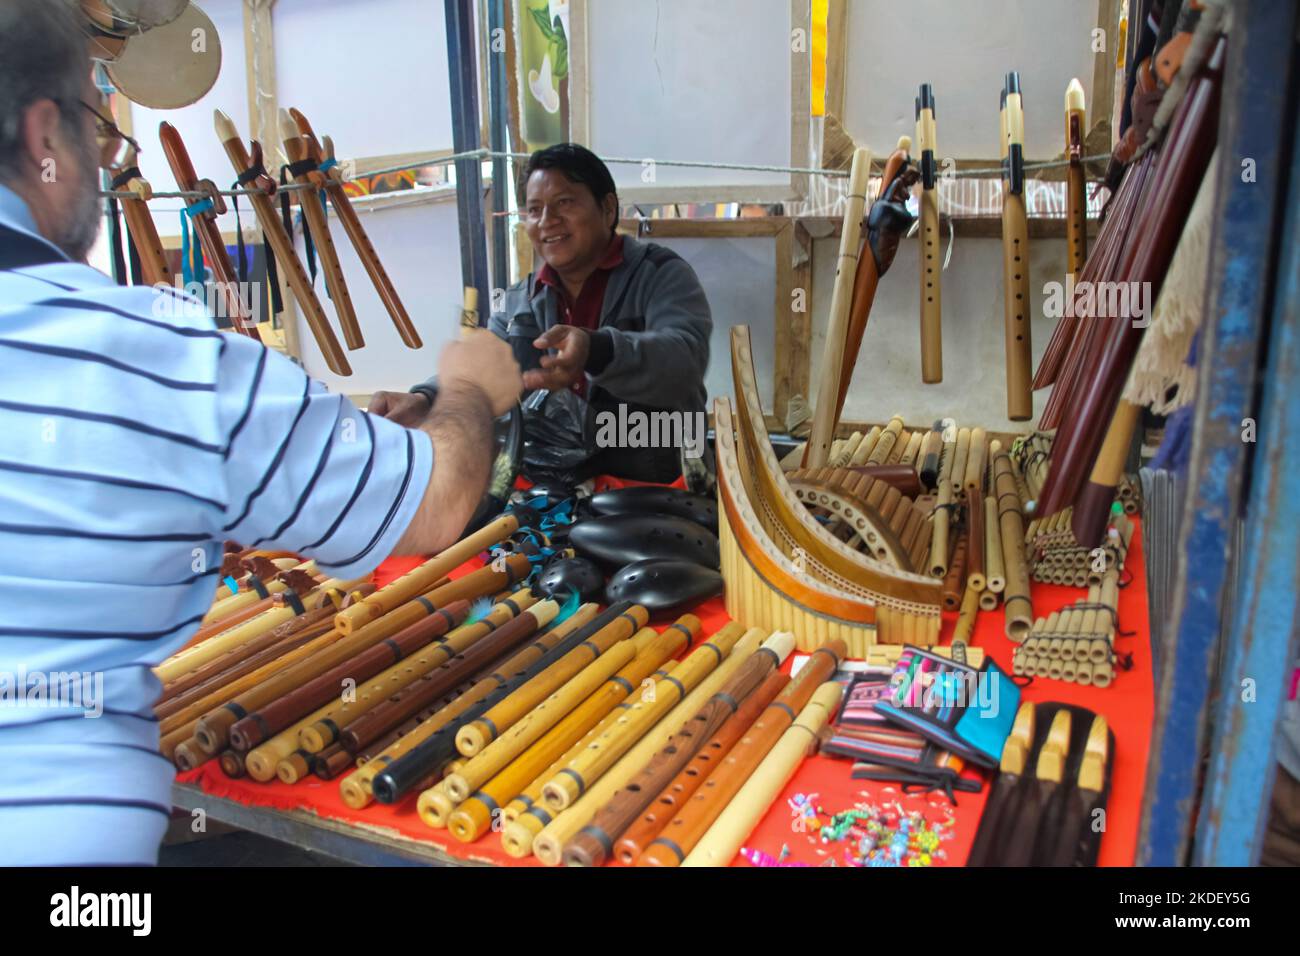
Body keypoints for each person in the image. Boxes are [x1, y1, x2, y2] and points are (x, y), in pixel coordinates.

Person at [0, 0, 521, 865]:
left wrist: (292, 460)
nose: (104, 161)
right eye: (100, 127)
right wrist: (468, 387)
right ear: (44, 134)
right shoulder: (150, 357)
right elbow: (434, 505)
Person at [371, 144, 712, 484]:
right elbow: (481, 366)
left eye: (564, 203)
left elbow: (685, 360)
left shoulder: (661, 274)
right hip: (564, 487)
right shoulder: (521, 299)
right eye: (534, 209)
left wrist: (597, 350)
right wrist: (425, 398)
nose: (547, 221)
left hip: (660, 480)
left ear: (607, 209)